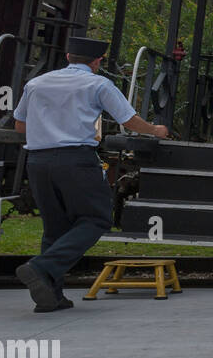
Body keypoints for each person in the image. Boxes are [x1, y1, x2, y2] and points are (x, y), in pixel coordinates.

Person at [11, 35, 169, 312]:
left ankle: (51, 297)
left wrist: (49, 125)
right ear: (97, 62)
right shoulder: (97, 83)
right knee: (97, 218)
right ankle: (41, 267)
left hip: (37, 161)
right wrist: (156, 130)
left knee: (55, 227)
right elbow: (128, 120)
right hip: (75, 160)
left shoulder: (36, 83)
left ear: (69, 57)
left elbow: (20, 126)